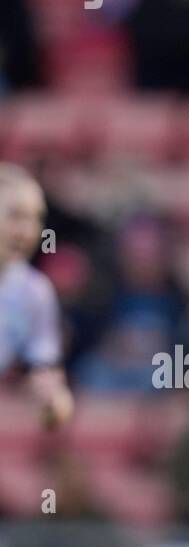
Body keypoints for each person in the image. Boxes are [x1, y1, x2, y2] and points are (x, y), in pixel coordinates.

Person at [0, 164, 74, 428]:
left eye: (36, 218)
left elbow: (47, 376)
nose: (27, 231)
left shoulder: (34, 292)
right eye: (16, 216)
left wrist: (54, 403)